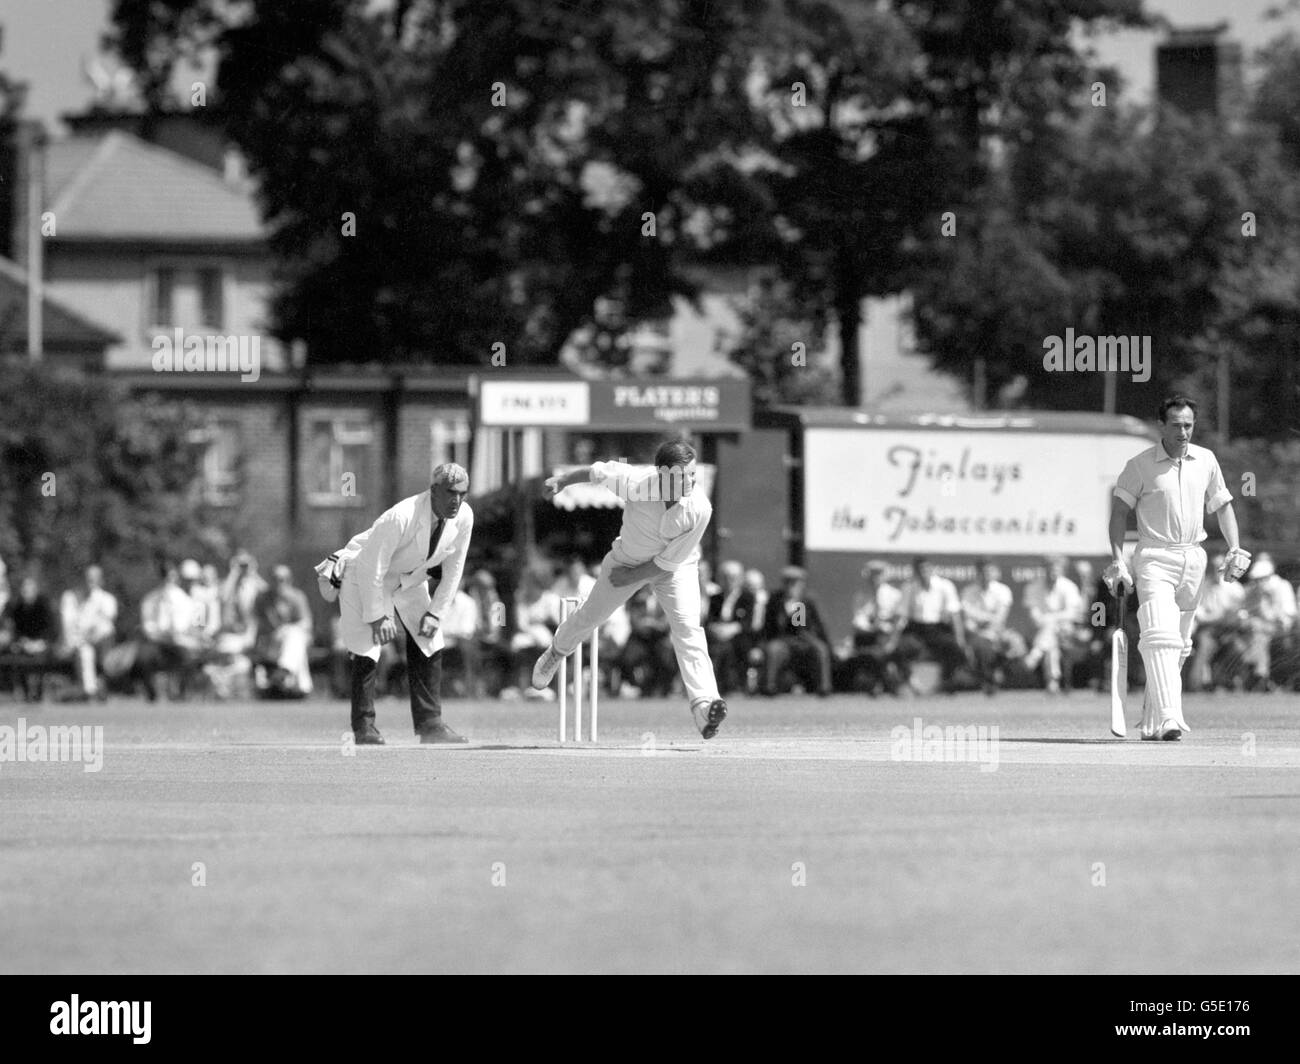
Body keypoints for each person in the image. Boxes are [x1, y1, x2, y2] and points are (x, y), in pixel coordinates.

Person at [531, 439, 728, 738]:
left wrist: (633, 577)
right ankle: (556, 652)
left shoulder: (700, 508)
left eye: (692, 473)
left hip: (676, 568)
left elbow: (666, 564)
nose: (691, 480)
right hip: (625, 559)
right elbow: (597, 472)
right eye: (683, 475)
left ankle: (704, 706)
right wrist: (562, 481)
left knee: (688, 628)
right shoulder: (636, 481)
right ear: (662, 474)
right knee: (591, 617)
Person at [1105, 395, 1248, 740]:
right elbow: (1118, 514)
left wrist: (1235, 548)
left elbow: (1223, 505)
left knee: (1180, 645)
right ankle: (1170, 717)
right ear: (1161, 426)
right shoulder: (1139, 465)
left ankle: (1152, 719)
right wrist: (1117, 560)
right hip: (1154, 556)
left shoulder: (1206, 460)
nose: (1183, 431)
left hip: (1193, 557)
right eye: (1176, 425)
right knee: (1160, 636)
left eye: (1188, 425)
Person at [326, 462, 473, 744]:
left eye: (462, 493)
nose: (456, 500)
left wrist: (436, 613)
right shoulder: (401, 516)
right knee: (367, 647)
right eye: (450, 492)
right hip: (364, 575)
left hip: (409, 581)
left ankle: (431, 725)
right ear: (434, 491)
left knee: (430, 639)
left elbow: (454, 569)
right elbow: (372, 567)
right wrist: (378, 616)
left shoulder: (464, 516)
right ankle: (364, 727)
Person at [886, 557, 968, 693]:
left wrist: (960, 638)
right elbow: (901, 615)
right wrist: (892, 640)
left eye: (926, 569)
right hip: (916, 628)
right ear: (915, 571)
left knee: (955, 649)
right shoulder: (909, 587)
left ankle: (947, 681)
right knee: (900, 649)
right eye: (920, 570)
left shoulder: (945, 586)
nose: (923, 572)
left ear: (932, 569)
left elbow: (955, 615)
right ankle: (906, 683)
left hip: (938, 628)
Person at [761, 566, 833, 697]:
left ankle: (824, 687)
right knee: (772, 649)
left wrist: (828, 645)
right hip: (783, 640)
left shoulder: (807, 600)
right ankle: (769, 686)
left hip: (805, 639)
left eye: (795, 583)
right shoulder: (775, 600)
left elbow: (820, 625)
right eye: (788, 582)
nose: (791, 586)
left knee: (820, 649)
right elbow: (767, 625)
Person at [960, 559, 1023, 696]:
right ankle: (989, 682)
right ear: (977, 573)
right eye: (982, 572)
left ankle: (1005, 677)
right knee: (982, 646)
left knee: (1015, 644)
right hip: (976, 634)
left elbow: (1000, 618)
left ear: (994, 573)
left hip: (998, 632)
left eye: (989, 571)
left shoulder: (1003, 590)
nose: (986, 575)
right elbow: (969, 620)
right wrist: (987, 619)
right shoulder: (968, 591)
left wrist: (983, 619)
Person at [1022, 556, 1083, 694]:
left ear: (1061, 570)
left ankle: (1037, 655)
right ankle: (1053, 680)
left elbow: (1072, 614)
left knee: (1050, 631)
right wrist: (1049, 621)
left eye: (1056, 569)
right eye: (1049, 569)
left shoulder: (1069, 587)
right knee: (1051, 642)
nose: (1052, 573)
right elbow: (1034, 616)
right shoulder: (1033, 587)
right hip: (1039, 630)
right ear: (1044, 569)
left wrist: (1051, 618)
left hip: (1066, 629)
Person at [842, 560, 904, 694]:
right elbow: (858, 621)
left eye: (879, 574)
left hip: (888, 636)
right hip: (868, 636)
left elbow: (899, 621)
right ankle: (882, 682)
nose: (876, 577)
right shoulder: (861, 596)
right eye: (873, 574)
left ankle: (889, 682)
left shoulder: (894, 595)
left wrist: (889, 634)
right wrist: (874, 627)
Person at [253, 565, 315, 697]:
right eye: (275, 578)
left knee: (294, 636)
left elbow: (306, 623)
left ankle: (284, 672)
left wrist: (285, 629)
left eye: (282, 579)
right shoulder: (263, 599)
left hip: (292, 640)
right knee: (296, 644)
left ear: (289, 580)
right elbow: (257, 625)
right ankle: (300, 687)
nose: (279, 582)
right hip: (271, 642)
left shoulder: (297, 597)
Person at [59, 565, 118, 700]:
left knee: (89, 649)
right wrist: (71, 643)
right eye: (87, 579)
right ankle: (90, 691)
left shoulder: (107, 600)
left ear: (101, 581)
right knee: (85, 651)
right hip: (76, 644)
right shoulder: (70, 597)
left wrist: (89, 637)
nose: (90, 582)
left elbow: (105, 626)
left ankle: (92, 690)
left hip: (101, 644)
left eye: (93, 579)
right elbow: (68, 626)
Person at [1239, 552, 1296, 692]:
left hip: (1281, 630)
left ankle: (1257, 672)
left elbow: (1289, 615)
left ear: (1268, 577)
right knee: (1258, 633)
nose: (1258, 583)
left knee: (1258, 632)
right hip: (1258, 631)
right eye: (1257, 580)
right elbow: (1244, 612)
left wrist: (1272, 606)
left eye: (1261, 580)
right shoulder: (1254, 592)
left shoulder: (1282, 587)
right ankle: (1261, 673)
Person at [1190, 552, 1246, 692]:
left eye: (1221, 566)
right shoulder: (1204, 586)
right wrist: (1217, 616)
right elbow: (1199, 613)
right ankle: (1196, 685)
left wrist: (1220, 616)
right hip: (1208, 630)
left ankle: (1228, 683)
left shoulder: (1236, 588)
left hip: (1230, 631)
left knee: (1239, 649)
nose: (1218, 570)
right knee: (1204, 648)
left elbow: (1238, 614)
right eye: (1215, 566)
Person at [0, 575, 60, 702]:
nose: (26, 593)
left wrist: (40, 643)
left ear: (35, 590)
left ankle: (39, 692)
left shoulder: (44, 605)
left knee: (40, 660)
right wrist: (23, 642)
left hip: (43, 645)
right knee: (17, 658)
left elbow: (52, 629)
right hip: (24, 645)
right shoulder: (17, 607)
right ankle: (25, 692)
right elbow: (14, 629)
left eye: (29, 590)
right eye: (24, 590)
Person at [704, 560, 755, 696]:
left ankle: (732, 686)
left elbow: (748, 623)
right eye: (725, 577)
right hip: (717, 636)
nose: (729, 580)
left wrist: (732, 629)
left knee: (728, 649)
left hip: (738, 638)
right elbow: (709, 620)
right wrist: (717, 629)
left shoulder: (748, 598)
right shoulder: (715, 598)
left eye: (733, 577)